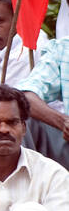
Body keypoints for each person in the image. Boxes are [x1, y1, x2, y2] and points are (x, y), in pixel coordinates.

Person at [16, 36, 69, 169]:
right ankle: (21, 183)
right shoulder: (64, 48)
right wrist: (64, 123)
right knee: (21, 114)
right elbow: (25, 95)